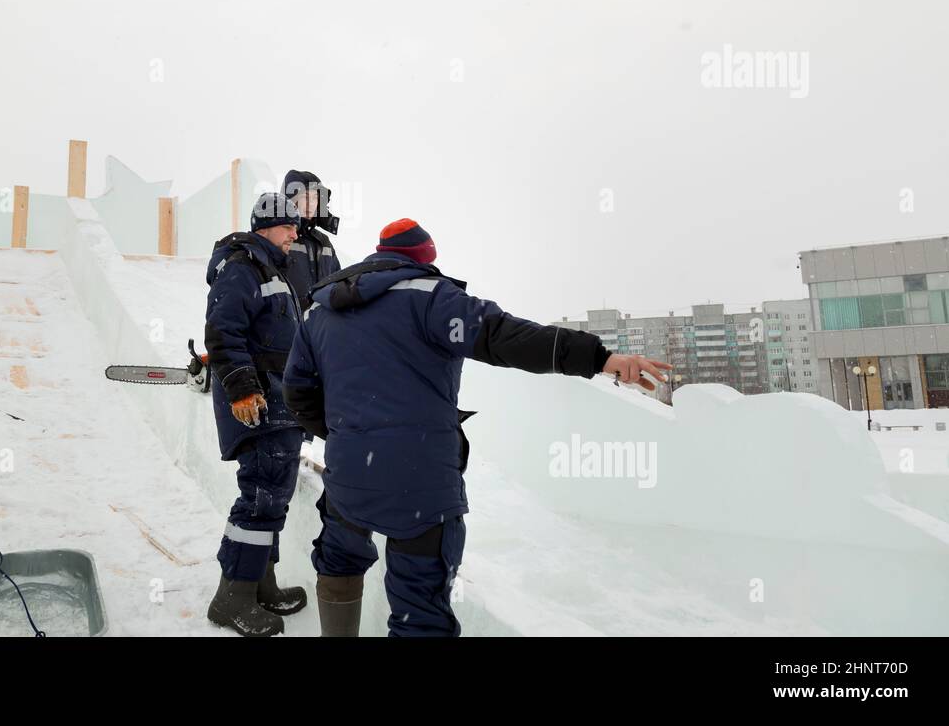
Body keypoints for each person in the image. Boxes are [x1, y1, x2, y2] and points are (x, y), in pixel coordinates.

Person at [282, 218, 670, 637]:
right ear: (423, 258)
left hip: (349, 472)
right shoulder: (433, 297)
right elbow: (507, 338)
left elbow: (297, 391)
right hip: (421, 481)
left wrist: (348, 434)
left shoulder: (323, 309)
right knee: (419, 607)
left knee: (339, 561)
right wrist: (600, 358)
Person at [203, 192, 310, 636]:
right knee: (260, 497)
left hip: (280, 406)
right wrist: (243, 388)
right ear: (266, 226)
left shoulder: (272, 273)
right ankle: (232, 597)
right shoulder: (242, 267)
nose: (294, 235)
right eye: (288, 227)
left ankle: (262, 584)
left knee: (273, 499)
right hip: (260, 406)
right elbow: (224, 331)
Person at [281, 169, 342, 314]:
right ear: (290, 199)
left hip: (321, 329)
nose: (311, 204)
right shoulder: (279, 237)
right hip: (289, 330)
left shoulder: (324, 243)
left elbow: (338, 285)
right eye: (305, 197)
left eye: (315, 198)